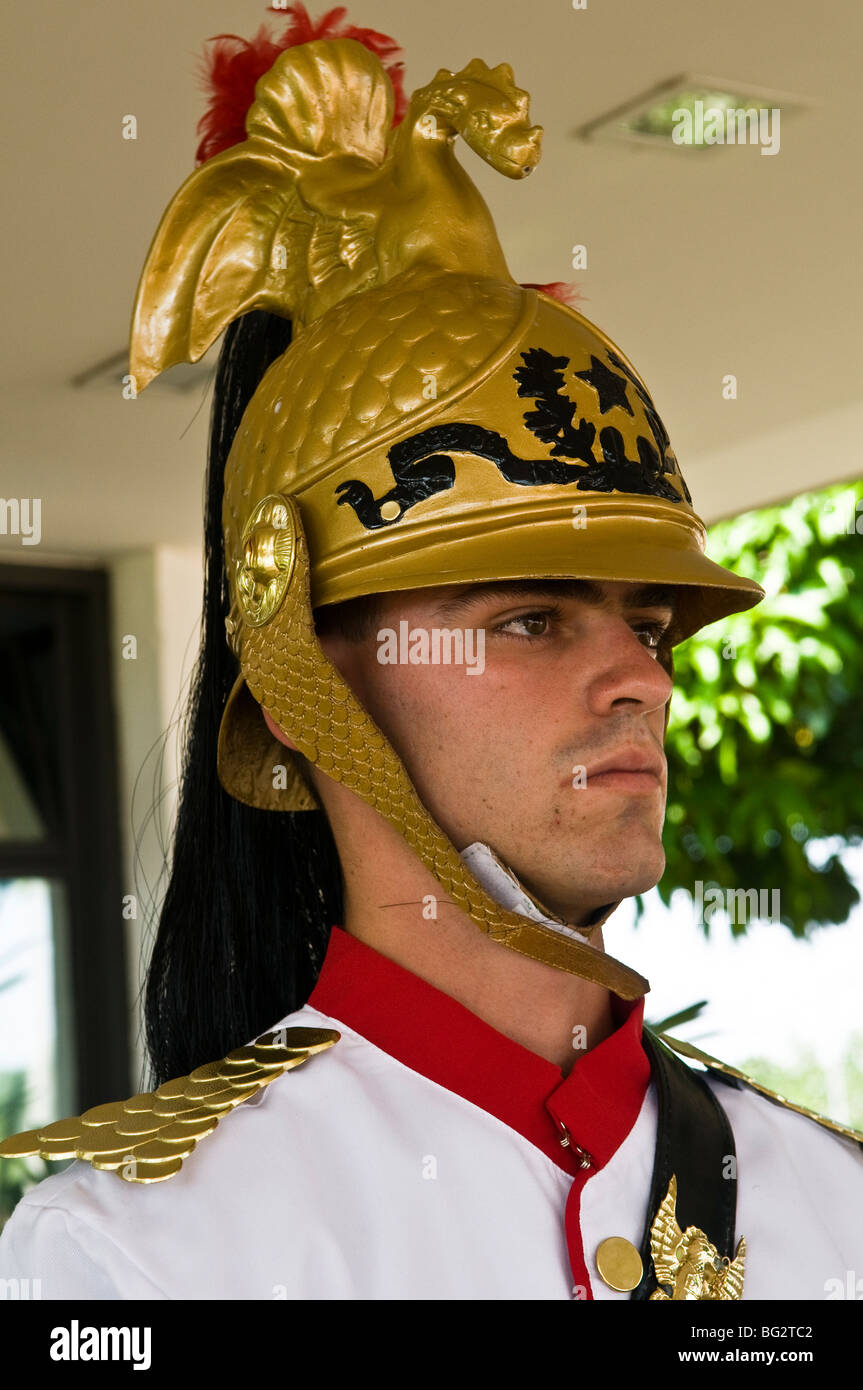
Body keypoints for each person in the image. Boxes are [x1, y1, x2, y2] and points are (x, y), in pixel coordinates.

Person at [1, 8, 861, 1301]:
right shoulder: (128, 1249)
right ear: (303, 678)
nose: (643, 676)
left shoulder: (833, 1199)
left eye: (646, 619)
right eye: (532, 618)